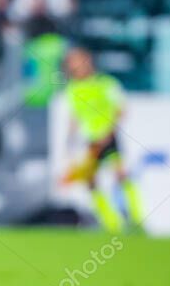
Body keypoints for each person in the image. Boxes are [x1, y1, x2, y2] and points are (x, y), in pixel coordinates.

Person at [61, 47, 143, 232]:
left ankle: (137, 219)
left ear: (88, 61)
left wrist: (108, 132)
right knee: (90, 181)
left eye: (78, 61)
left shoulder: (106, 83)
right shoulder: (73, 88)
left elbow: (120, 109)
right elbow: (75, 117)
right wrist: (69, 142)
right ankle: (111, 223)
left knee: (120, 175)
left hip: (108, 137)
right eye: (72, 63)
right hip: (90, 141)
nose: (75, 66)